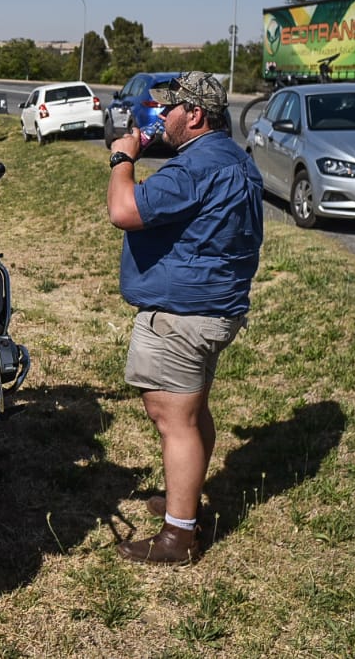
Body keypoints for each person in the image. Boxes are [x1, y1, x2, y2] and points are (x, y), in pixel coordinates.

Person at [105, 71, 263, 565]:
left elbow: (123, 209)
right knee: (190, 415)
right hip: (215, 307)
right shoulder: (232, 158)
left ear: (194, 115)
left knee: (173, 420)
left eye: (168, 109)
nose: (160, 117)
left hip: (182, 317)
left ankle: (178, 537)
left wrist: (122, 157)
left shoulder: (192, 167)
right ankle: (183, 505)